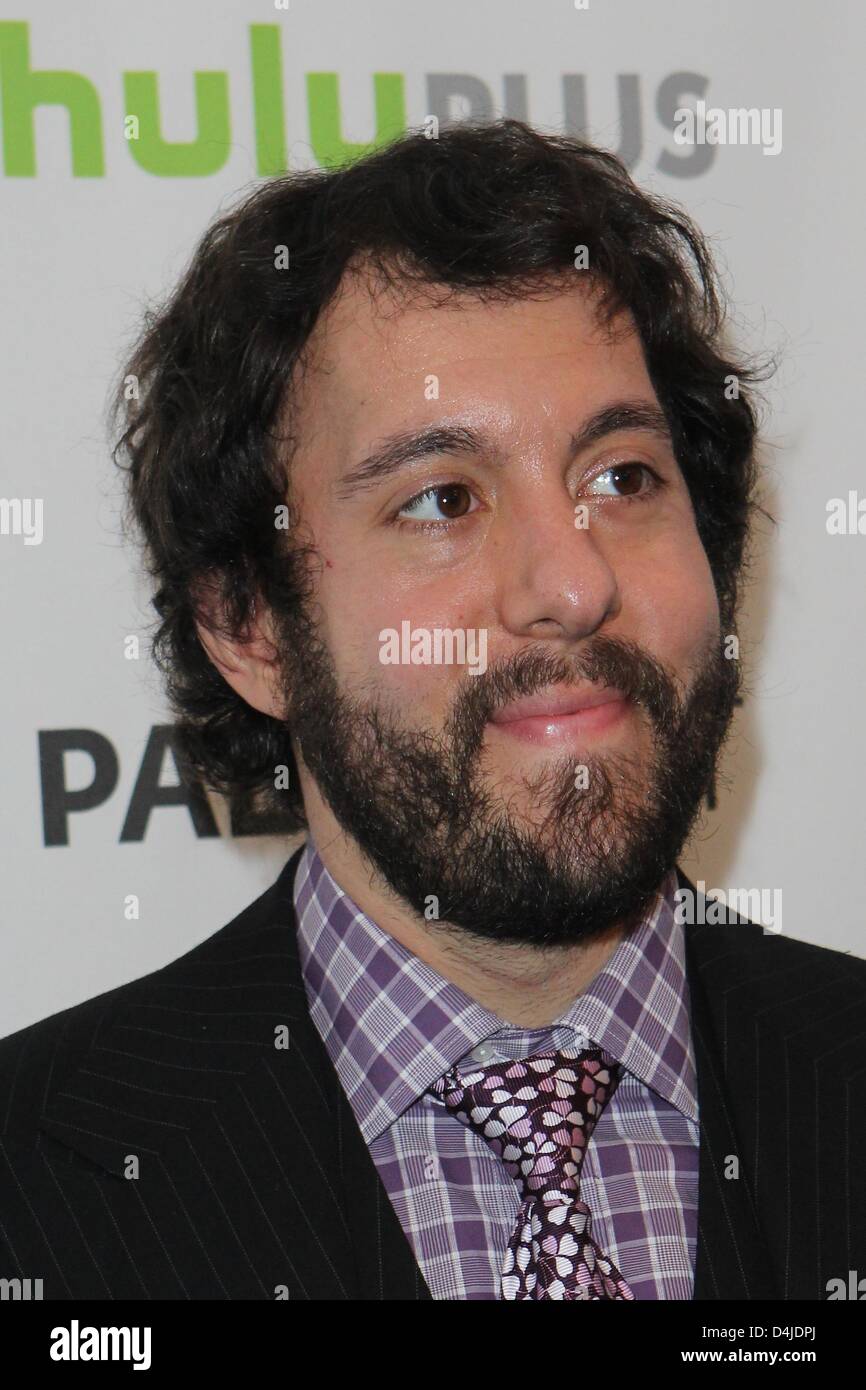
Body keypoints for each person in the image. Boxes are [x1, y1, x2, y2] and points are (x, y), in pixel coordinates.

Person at [1, 119, 863, 1301]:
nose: (570, 583)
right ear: (250, 627)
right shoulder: (33, 1190)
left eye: (621, 477)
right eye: (441, 499)